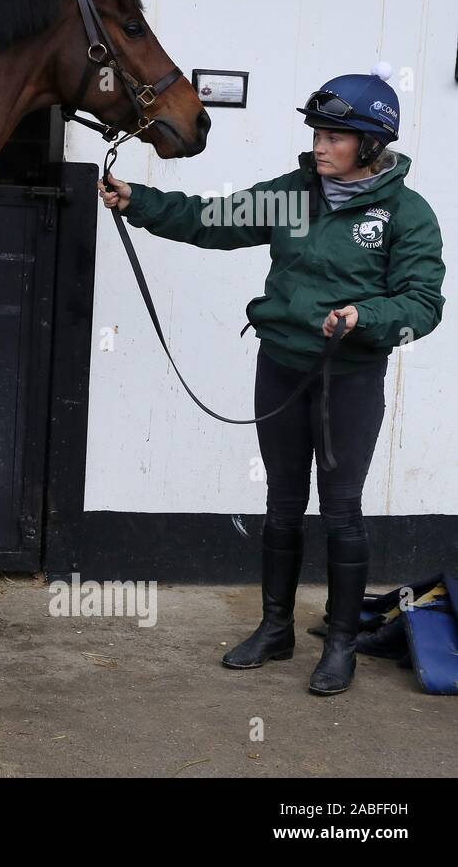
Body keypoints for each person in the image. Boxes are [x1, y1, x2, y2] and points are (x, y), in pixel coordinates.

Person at [97, 64, 445, 695]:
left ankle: (340, 644)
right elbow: (215, 220)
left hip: (350, 376)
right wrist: (140, 202)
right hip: (281, 363)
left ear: (371, 143)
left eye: (335, 137)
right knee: (282, 503)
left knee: (341, 510)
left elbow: (424, 305)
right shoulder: (295, 192)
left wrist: (367, 316)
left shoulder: (406, 213)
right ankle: (275, 628)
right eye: (316, 133)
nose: (319, 145)